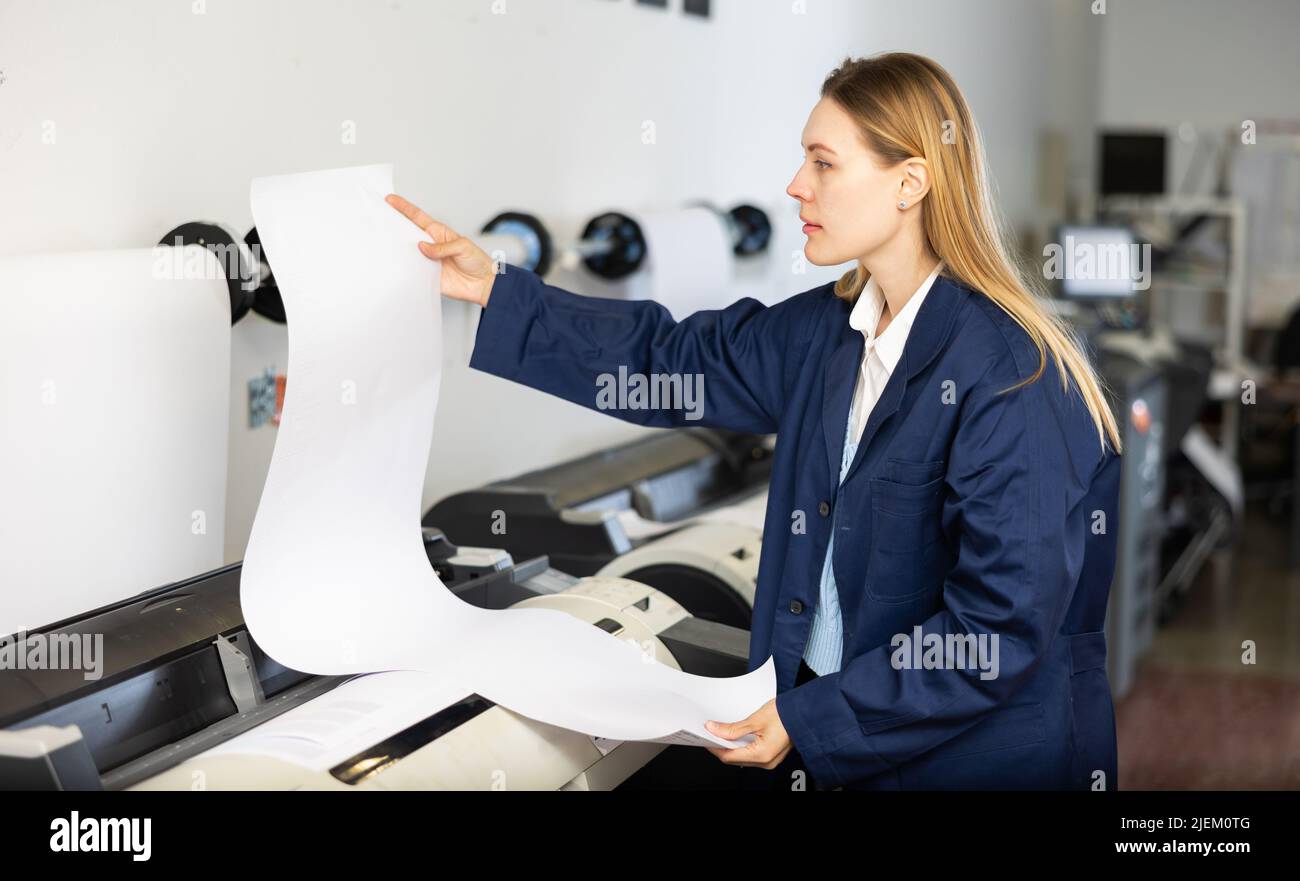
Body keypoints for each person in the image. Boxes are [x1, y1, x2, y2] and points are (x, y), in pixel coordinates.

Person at [386, 51, 1123, 791]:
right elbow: (665, 360)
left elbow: (992, 634)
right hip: (848, 743)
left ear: (910, 181)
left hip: (975, 764)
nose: (796, 185)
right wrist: (498, 293)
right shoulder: (828, 333)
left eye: (823, 163)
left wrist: (811, 719)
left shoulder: (1012, 376)